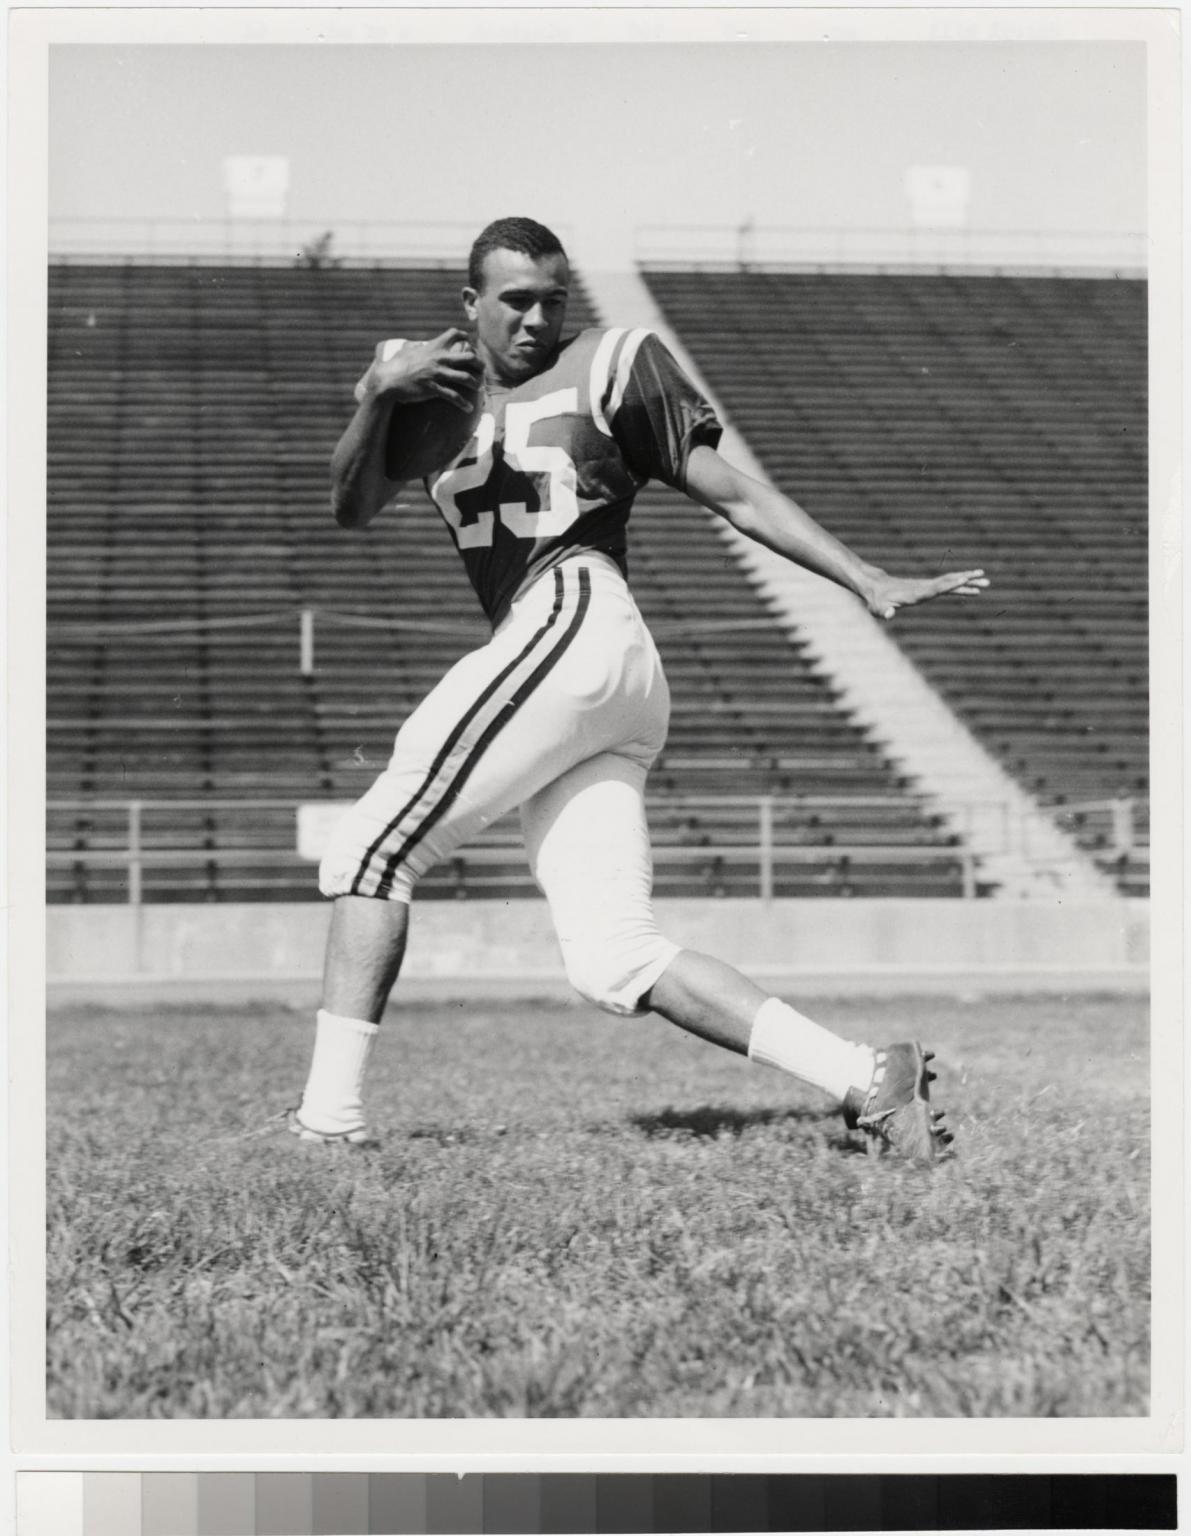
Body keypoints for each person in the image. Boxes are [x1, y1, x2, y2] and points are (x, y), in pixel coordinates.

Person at [292, 216, 988, 1162]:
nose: (536, 319)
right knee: (612, 953)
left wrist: (863, 577)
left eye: (552, 299)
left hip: (576, 614)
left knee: (370, 850)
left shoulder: (613, 360)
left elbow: (733, 492)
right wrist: (375, 394)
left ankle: (325, 1125)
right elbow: (349, 506)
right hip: (575, 662)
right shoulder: (430, 389)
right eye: (514, 301)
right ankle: (870, 1077)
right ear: (470, 305)